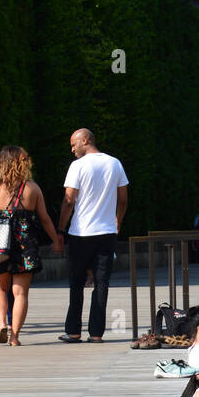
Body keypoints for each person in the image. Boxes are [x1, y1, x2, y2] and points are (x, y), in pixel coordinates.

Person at [0, 145, 62, 346]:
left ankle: (2, 324)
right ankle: (14, 336)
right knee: (20, 292)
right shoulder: (32, 188)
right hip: (25, 244)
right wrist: (55, 240)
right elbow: (45, 220)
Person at [58, 128, 128, 343]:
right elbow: (123, 198)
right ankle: (96, 333)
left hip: (81, 232)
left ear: (85, 140)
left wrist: (60, 229)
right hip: (107, 232)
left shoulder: (77, 166)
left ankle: (73, 331)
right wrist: (118, 219)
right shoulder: (115, 163)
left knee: (76, 282)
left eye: (73, 144)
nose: (72, 150)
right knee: (102, 282)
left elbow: (69, 200)